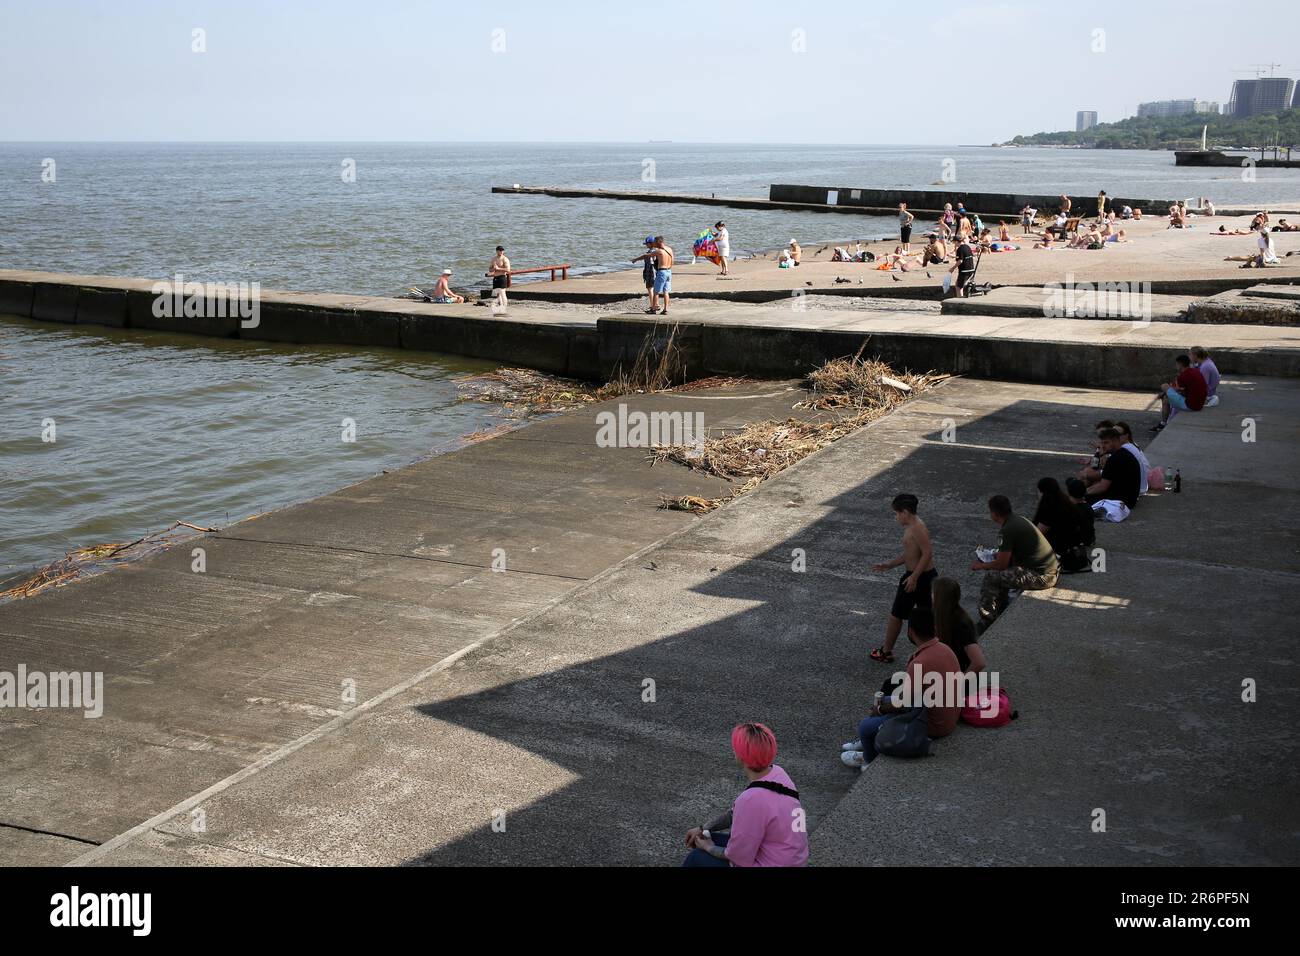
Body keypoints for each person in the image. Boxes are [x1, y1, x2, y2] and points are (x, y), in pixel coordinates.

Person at [842, 608, 960, 768]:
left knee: (865, 726)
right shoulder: (946, 650)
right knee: (883, 700)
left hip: (932, 725)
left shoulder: (919, 662)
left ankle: (868, 759)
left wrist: (881, 710)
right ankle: (868, 739)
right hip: (948, 717)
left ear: (910, 632)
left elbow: (904, 703)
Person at [683, 723, 808, 867]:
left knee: (696, 857)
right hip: (792, 860)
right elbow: (734, 813)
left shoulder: (751, 799)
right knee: (707, 838)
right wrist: (702, 828)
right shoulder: (779, 775)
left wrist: (708, 847)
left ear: (739, 756)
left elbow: (739, 858)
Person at [971, 495, 1059, 630]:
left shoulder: (1007, 530)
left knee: (991, 577)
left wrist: (981, 565)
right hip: (1049, 570)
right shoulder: (1018, 520)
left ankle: (987, 620)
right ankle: (1001, 605)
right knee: (1003, 573)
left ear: (994, 514)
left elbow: (1001, 564)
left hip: (1043, 576)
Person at [870, 494, 936, 664]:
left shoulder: (917, 528)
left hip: (918, 578)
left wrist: (914, 576)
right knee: (927, 615)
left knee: (896, 614)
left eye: (897, 513)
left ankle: (886, 652)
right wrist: (890, 564)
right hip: (920, 576)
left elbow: (927, 553)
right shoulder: (912, 527)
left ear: (905, 512)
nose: (896, 517)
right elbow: (911, 554)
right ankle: (931, 652)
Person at [1033, 477, 1089, 571]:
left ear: (1042, 492)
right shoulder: (1065, 501)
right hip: (1075, 551)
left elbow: (1037, 533)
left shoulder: (1049, 507)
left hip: (1061, 552)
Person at [932, 577, 985, 674]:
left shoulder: (961, 624)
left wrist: (959, 681)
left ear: (939, 597)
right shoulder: (943, 616)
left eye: (932, 593)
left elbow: (979, 662)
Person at [1085, 428, 1142, 509]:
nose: (1103, 446)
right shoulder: (1124, 454)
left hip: (1119, 502)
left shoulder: (1114, 459)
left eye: (1106, 442)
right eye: (1102, 443)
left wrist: (1083, 493)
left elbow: (1103, 487)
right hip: (1129, 499)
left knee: (1079, 500)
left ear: (1116, 441)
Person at [1155, 354, 1206, 430]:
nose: (1176, 366)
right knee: (1166, 398)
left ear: (1180, 364)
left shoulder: (1183, 375)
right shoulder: (1195, 371)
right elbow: (1183, 391)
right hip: (1200, 404)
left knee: (1164, 386)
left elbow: (1180, 392)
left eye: (1176, 364)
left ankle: (1163, 423)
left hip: (1191, 406)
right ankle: (1163, 423)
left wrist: (1164, 392)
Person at [631, 236, 674, 316]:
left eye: (654, 242)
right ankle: (665, 310)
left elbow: (646, 256)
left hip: (662, 271)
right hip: (669, 271)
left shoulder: (659, 251)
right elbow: (672, 261)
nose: (654, 244)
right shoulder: (670, 249)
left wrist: (635, 259)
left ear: (658, 242)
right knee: (666, 292)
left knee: (656, 292)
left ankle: (653, 309)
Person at [1114, 422, 1152, 494]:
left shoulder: (1124, 449)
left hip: (1136, 489)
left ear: (1126, 435)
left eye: (1117, 435)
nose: (1114, 437)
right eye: (1112, 434)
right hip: (1142, 486)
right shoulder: (1131, 445)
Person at [1065, 478, 1097, 551]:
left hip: (1077, 541)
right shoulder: (1088, 508)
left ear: (1068, 492)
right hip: (1088, 539)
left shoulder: (1069, 509)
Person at [487, 245, 511, 313]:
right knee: (497, 294)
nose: (501, 252)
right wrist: (493, 269)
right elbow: (490, 269)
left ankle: (504, 307)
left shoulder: (505, 259)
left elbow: (508, 269)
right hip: (495, 278)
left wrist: (498, 268)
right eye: (500, 250)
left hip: (502, 277)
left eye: (502, 250)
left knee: (502, 293)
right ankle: (501, 308)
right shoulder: (494, 259)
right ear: (497, 251)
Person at [639, 236, 657, 301]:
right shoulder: (657, 251)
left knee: (650, 288)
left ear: (651, 244)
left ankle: (653, 305)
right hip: (655, 273)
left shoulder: (651, 252)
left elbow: (651, 264)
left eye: (647, 244)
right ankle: (655, 304)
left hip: (650, 273)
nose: (646, 245)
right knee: (655, 289)